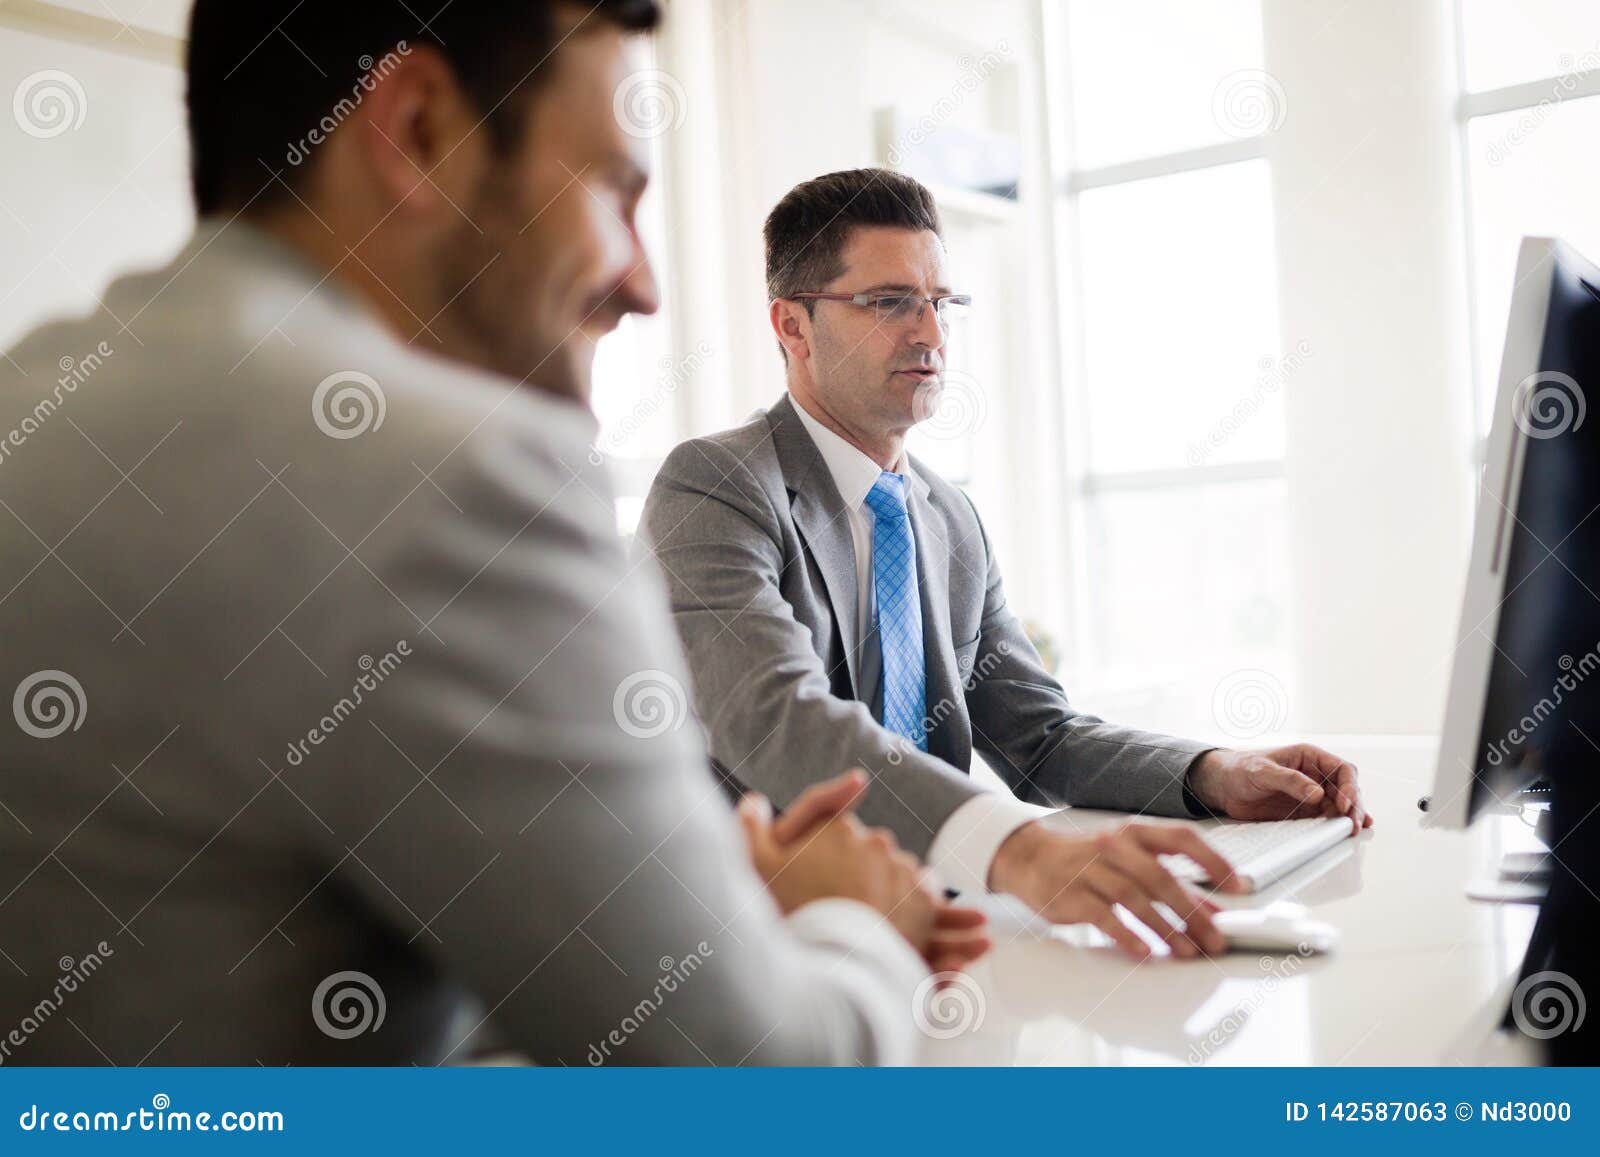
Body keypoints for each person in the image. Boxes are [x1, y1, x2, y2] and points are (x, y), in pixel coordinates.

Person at [0, 5, 985, 1067]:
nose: (643, 284)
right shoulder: (459, 479)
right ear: (416, 130)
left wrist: (677, 906)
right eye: (614, 192)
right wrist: (861, 921)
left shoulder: (39, 402)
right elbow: (750, 1084)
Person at [640, 167, 1373, 961]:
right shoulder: (715, 485)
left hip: (938, 930)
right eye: (889, 302)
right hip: (751, 943)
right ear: (793, 325)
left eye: (941, 301)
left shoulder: (950, 518)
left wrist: (1214, 773)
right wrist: (1019, 850)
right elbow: (775, 716)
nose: (930, 333)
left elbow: (1041, 736)